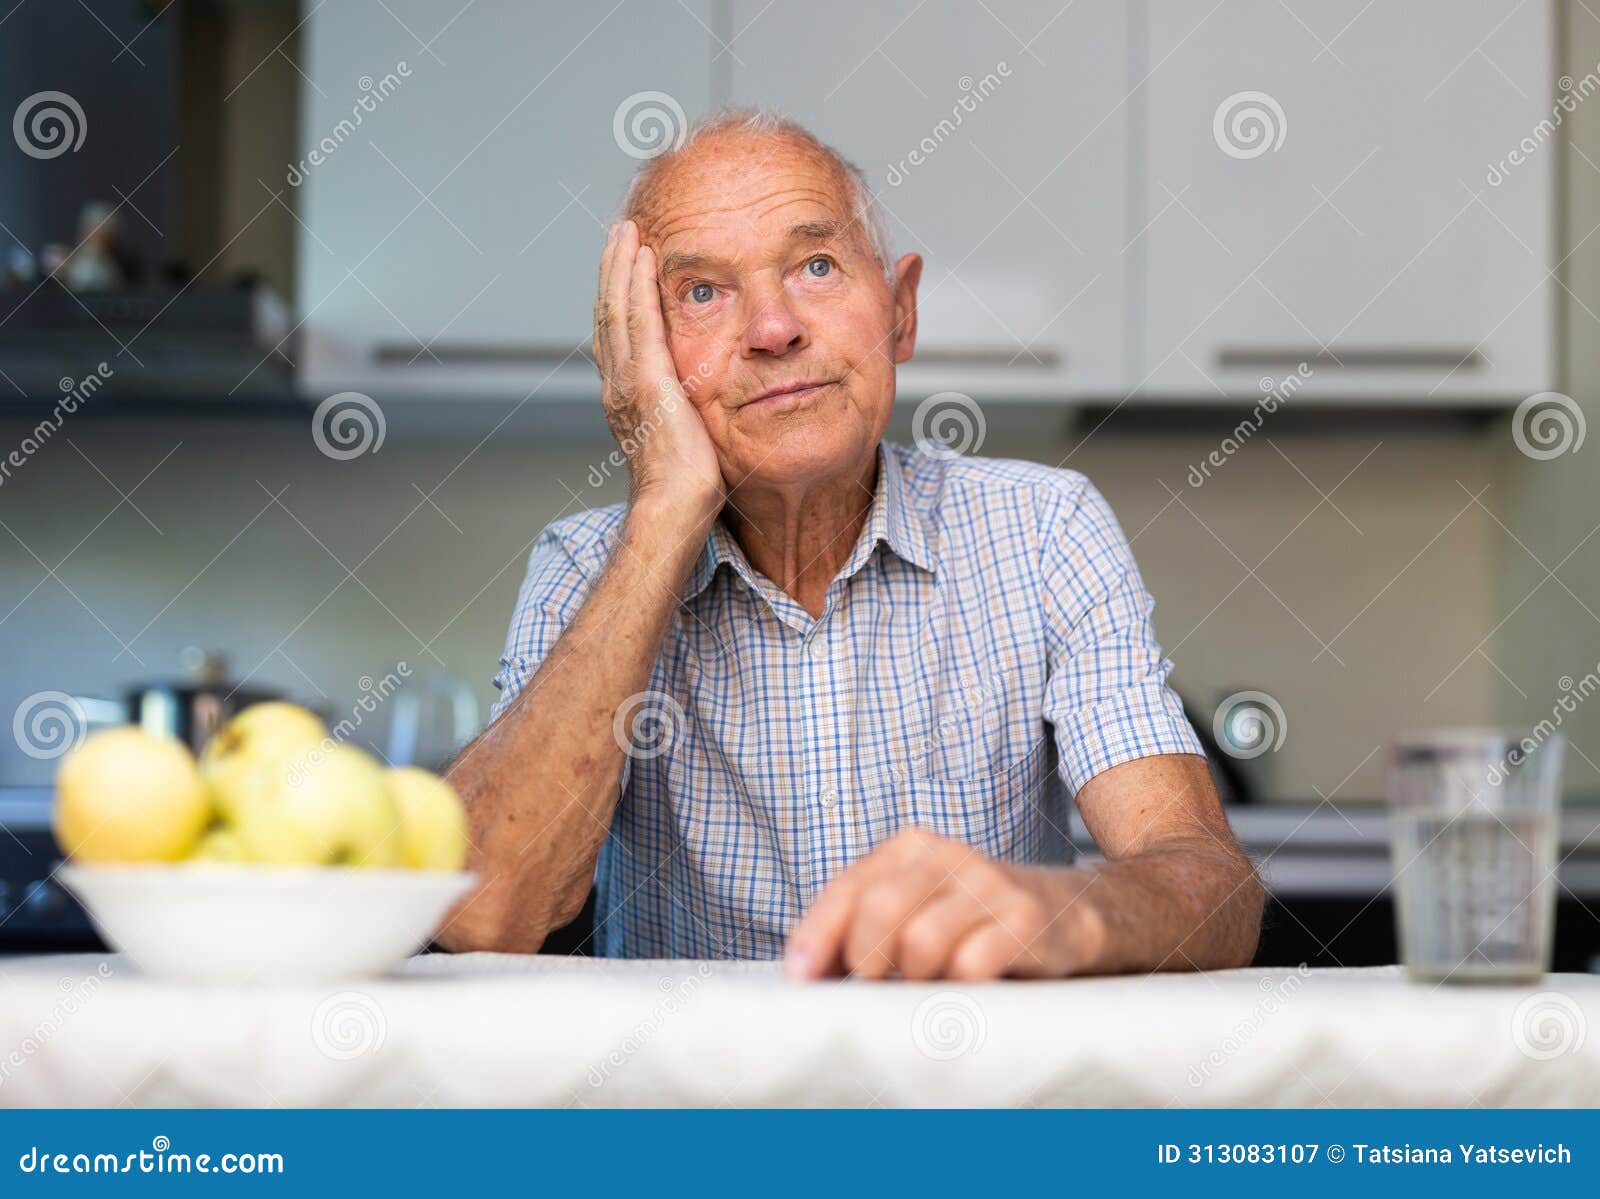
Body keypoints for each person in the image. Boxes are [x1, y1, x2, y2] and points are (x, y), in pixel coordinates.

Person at [437, 110, 1263, 980]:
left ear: (900, 310)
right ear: (636, 356)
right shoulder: (583, 567)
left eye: (816, 266)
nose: (772, 328)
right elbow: (486, 908)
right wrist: (665, 504)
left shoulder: (1045, 529)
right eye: (703, 292)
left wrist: (1067, 912)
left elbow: (1210, 883)